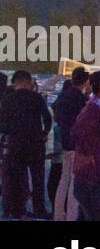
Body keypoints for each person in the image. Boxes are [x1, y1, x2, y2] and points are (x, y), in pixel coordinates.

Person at [0, 69, 53, 218]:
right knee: (38, 179)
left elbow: (2, 124)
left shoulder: (7, 99)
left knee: (17, 179)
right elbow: (47, 119)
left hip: (15, 145)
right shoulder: (36, 97)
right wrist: (43, 134)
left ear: (14, 82)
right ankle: (39, 209)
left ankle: (17, 209)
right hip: (35, 144)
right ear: (28, 81)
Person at [70, 68, 100, 221]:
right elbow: (77, 133)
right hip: (90, 174)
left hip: (94, 173)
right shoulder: (93, 110)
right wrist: (90, 156)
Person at [51, 66, 90, 221]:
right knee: (75, 182)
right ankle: (72, 216)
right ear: (85, 81)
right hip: (77, 145)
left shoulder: (63, 96)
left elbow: (55, 111)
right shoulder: (80, 100)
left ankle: (58, 214)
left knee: (64, 180)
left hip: (65, 143)